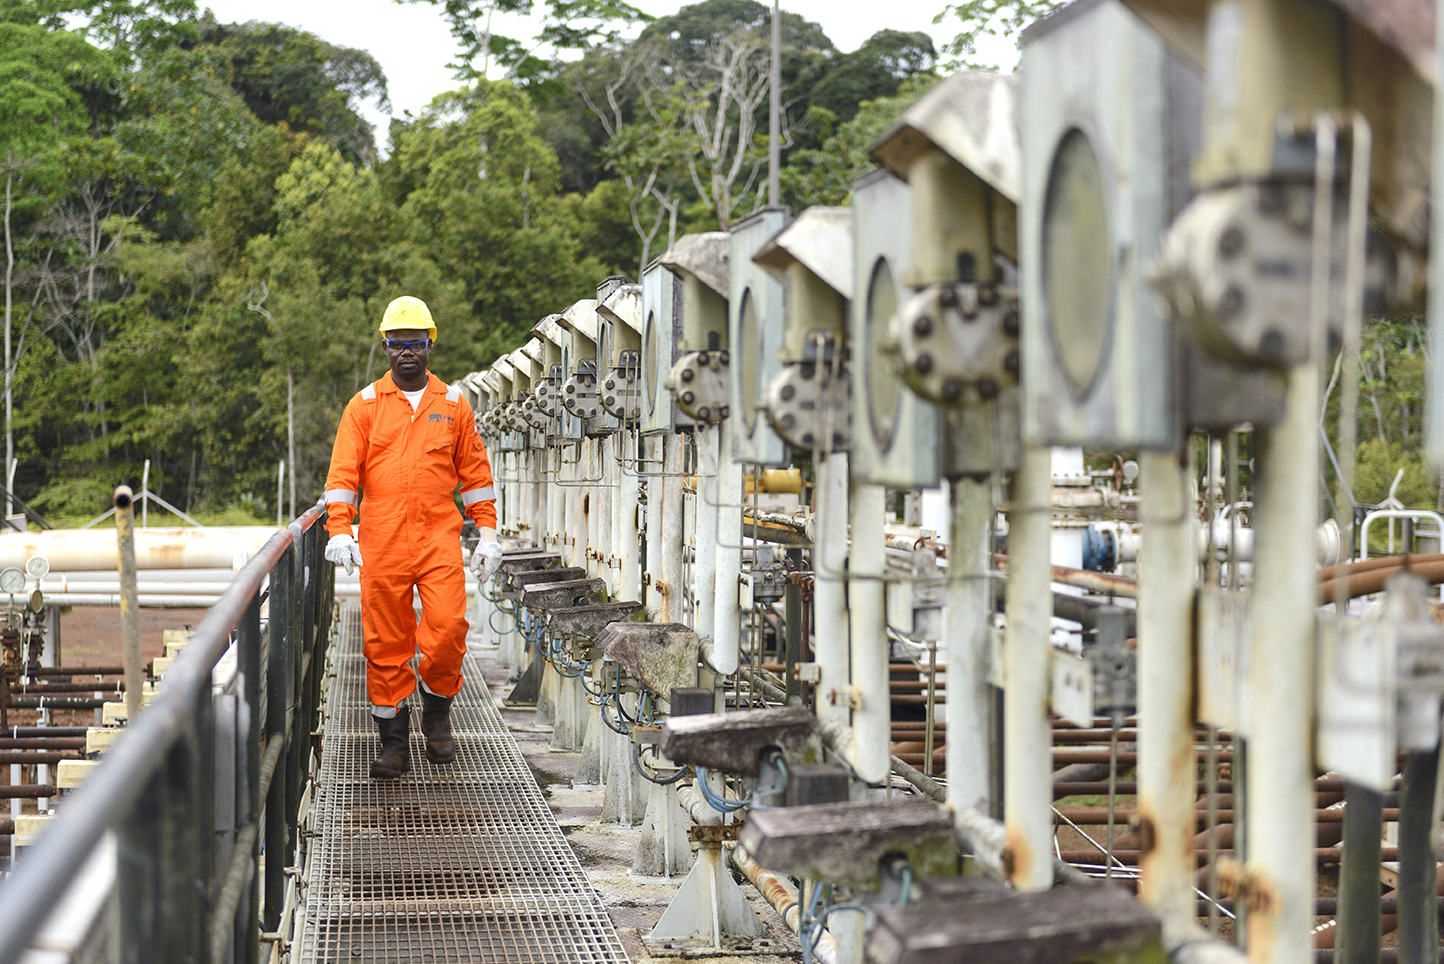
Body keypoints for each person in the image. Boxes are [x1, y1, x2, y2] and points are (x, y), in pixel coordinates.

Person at [322, 295, 504, 778]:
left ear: (430, 346)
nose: (407, 352)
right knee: (385, 643)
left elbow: (476, 478)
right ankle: (394, 741)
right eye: (398, 344)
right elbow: (342, 477)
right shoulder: (363, 407)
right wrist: (340, 530)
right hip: (381, 543)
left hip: (438, 540)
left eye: (416, 344)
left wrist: (487, 534)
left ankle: (437, 714)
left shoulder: (454, 406)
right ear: (385, 347)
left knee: (447, 631)